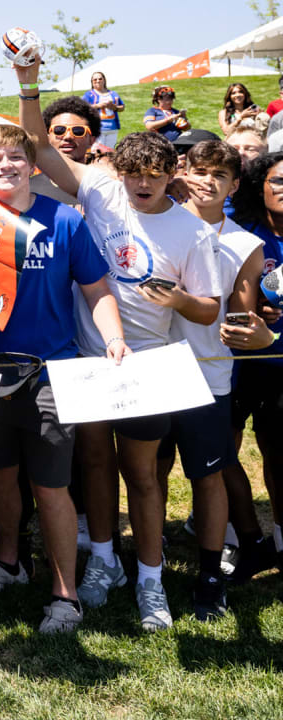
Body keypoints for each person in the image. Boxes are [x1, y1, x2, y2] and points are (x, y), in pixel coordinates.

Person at [16, 55, 221, 632]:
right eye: (134, 176)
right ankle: (104, 562)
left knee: (145, 474)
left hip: (150, 364)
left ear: (170, 173)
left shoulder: (191, 230)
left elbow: (208, 308)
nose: (143, 185)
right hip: (87, 356)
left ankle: (152, 581)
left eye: (154, 177)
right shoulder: (102, 190)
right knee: (95, 463)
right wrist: (29, 85)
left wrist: (178, 301)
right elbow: (38, 142)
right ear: (120, 172)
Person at [0, 124, 127, 634]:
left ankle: (65, 595)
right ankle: (12, 562)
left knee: (52, 485)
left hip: (51, 373)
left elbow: (97, 289)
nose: (5, 167)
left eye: (15, 158)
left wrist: (114, 337)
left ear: (31, 164)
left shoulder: (65, 220)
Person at [165, 139, 272, 619]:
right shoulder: (155, 221)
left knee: (208, 475)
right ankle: (151, 561)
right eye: (200, 170)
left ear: (233, 185)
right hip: (148, 365)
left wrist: (248, 326)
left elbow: (242, 316)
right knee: (148, 473)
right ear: (184, 171)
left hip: (208, 372)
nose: (208, 181)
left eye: (220, 176)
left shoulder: (246, 243)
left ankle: (210, 577)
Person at [223, 151, 283, 585]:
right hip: (232, 361)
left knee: (277, 456)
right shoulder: (243, 233)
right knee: (221, 452)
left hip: (277, 359)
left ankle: (280, 545)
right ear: (260, 185)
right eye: (277, 181)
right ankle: (250, 540)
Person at [83, 72, 124, 149]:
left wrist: (114, 107)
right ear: (92, 82)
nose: (98, 81)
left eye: (100, 79)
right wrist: (97, 106)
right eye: (95, 79)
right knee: (97, 153)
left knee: (109, 152)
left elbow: (122, 107)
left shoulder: (113, 93)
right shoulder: (89, 95)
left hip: (112, 129)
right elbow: (82, 107)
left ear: (104, 80)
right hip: (97, 129)